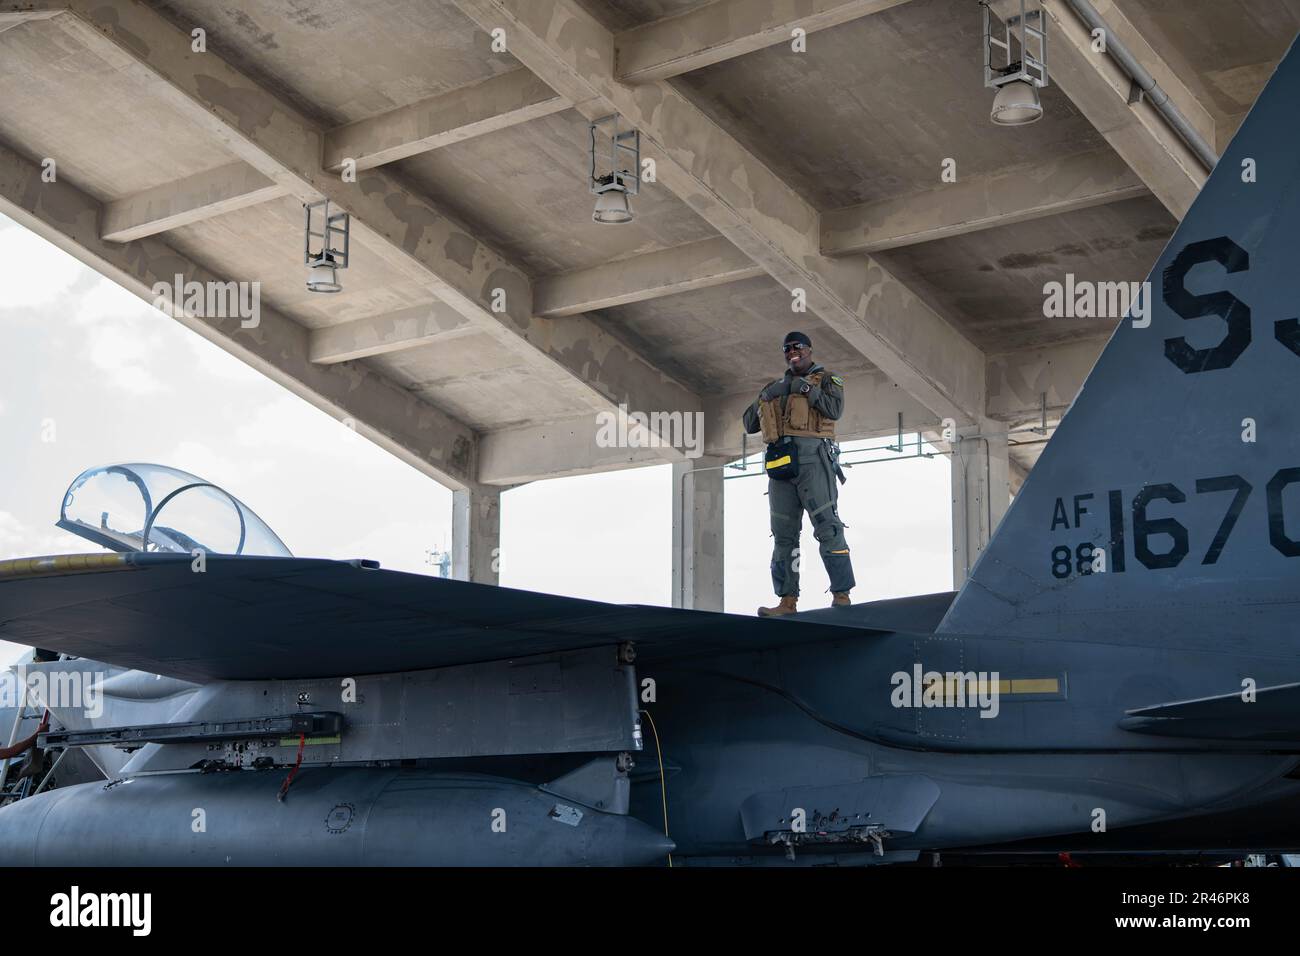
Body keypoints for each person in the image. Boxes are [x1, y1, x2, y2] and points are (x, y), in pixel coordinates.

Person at [743, 331, 855, 616]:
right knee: (783, 536)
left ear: (810, 350)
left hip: (813, 461)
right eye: (787, 349)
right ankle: (787, 601)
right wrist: (767, 395)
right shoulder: (776, 387)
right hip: (781, 465)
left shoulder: (827, 380)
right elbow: (748, 424)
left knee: (827, 527)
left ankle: (842, 594)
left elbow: (834, 409)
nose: (793, 352)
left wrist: (804, 389)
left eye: (798, 347)